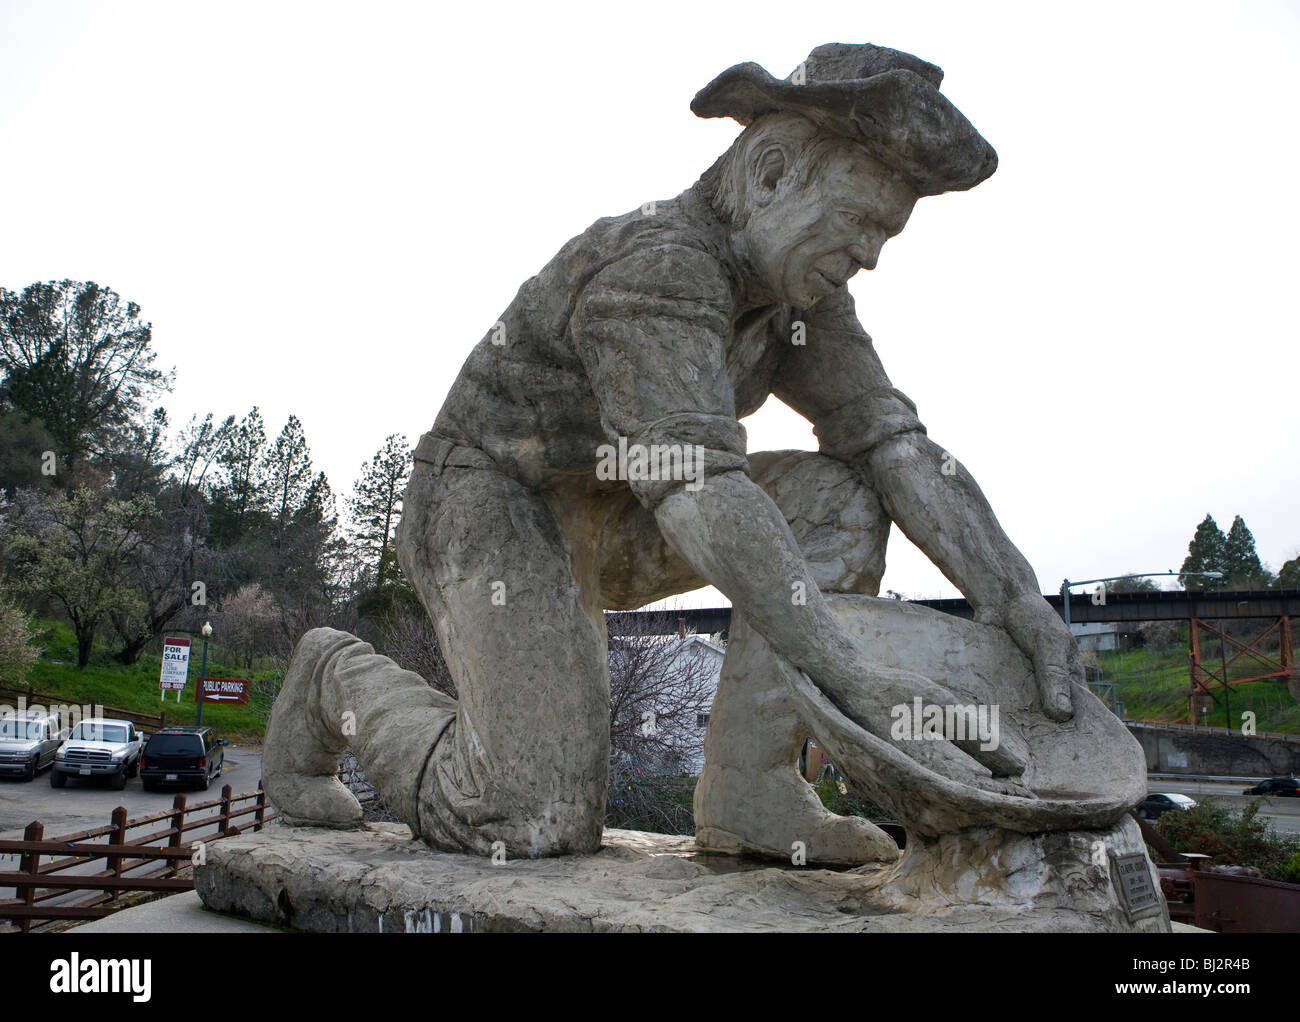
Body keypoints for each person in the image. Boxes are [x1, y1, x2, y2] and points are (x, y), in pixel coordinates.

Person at [263, 42, 1082, 861]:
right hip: (495, 504)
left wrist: (1016, 603)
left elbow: (897, 446)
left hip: (627, 512)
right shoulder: (658, 266)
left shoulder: (801, 297)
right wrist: (851, 674)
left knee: (842, 494)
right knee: (531, 815)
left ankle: (752, 790)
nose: (869, 254)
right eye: (861, 222)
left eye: (886, 234)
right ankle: (333, 677)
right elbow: (695, 486)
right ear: (770, 174)